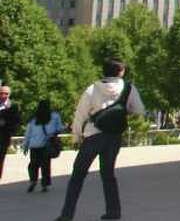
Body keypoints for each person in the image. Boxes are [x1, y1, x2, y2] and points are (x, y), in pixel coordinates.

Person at [55, 58, 145, 221]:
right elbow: (139, 109)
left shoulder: (92, 89)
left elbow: (80, 115)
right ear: (121, 72)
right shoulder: (129, 88)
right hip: (114, 137)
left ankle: (67, 214)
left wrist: (76, 136)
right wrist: (123, 111)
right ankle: (113, 212)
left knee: (78, 175)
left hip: (92, 135)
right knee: (108, 175)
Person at [22, 98, 64, 192]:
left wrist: (25, 146)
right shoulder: (55, 116)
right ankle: (45, 185)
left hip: (34, 145)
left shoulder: (34, 118)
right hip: (46, 144)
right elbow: (60, 128)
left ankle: (33, 180)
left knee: (33, 164)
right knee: (45, 165)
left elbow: (28, 133)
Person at [0, 83, 20, 181]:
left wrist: (6, 126)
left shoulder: (13, 106)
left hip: (4, 136)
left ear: (9, 94)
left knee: (0, 157)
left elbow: (16, 122)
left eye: (6, 94)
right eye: (2, 93)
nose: (4, 95)